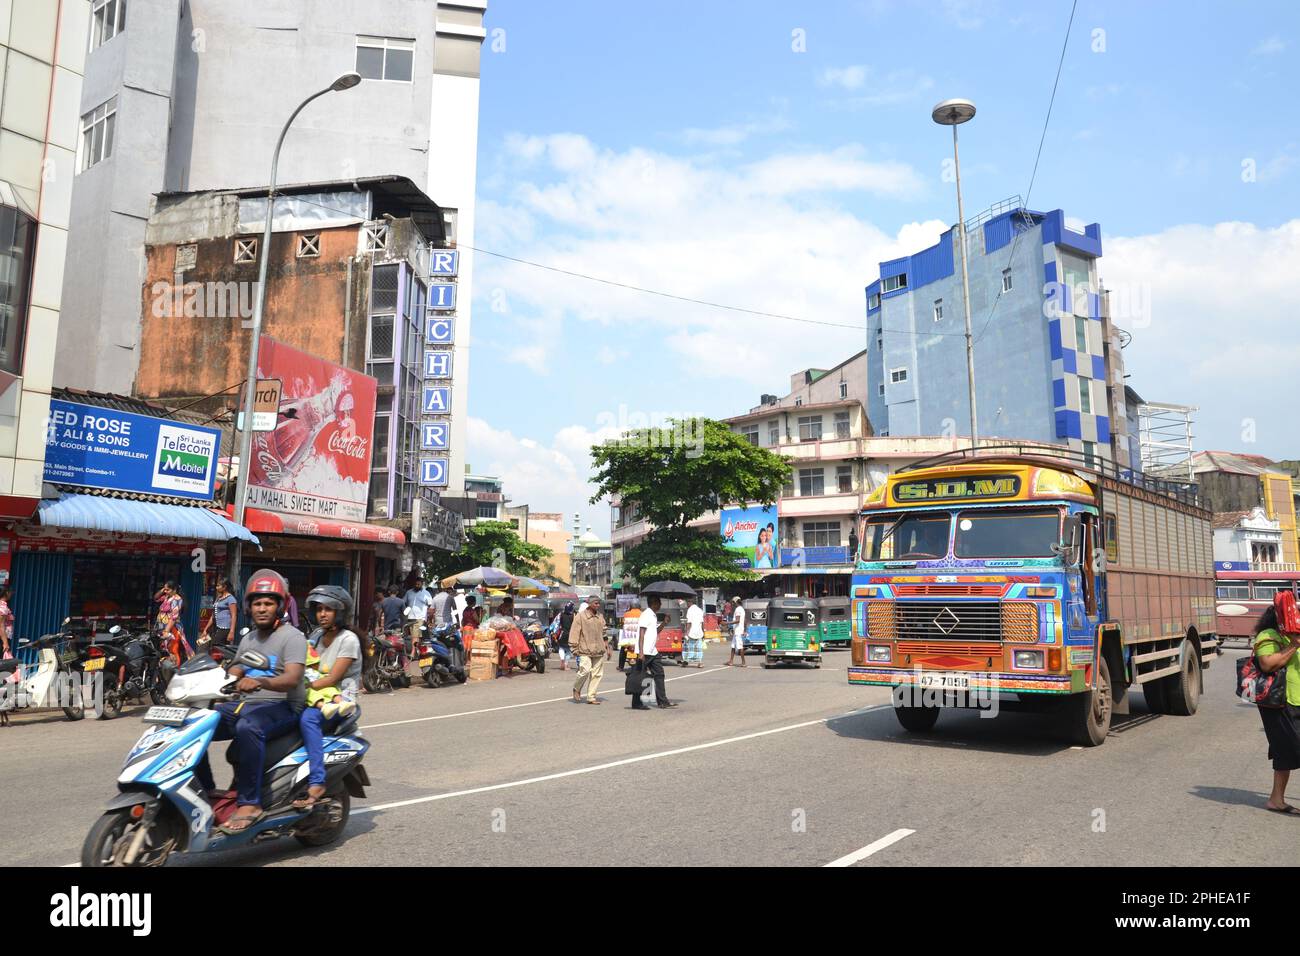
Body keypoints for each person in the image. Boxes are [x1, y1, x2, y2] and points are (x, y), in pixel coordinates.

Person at [193, 569, 306, 833]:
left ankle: (250, 803)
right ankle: (207, 791)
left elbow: (292, 678)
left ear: (279, 606)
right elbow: (236, 669)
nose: (262, 609)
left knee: (249, 727)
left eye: (268, 603)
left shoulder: (293, 637)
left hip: (283, 706)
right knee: (197, 723)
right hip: (247, 704)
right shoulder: (249, 638)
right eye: (257, 603)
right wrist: (216, 681)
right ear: (249, 607)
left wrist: (261, 682)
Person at [293, 585, 362, 811]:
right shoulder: (315, 636)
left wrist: (300, 683)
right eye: (319, 609)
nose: (322, 614)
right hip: (312, 694)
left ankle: (317, 781)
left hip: (338, 702)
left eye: (328, 609)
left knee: (308, 720)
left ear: (340, 613)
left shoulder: (348, 640)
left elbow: (333, 677)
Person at [1254, 591, 1300, 814]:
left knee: (1284, 751)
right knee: (1289, 747)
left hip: (1296, 701)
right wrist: (1294, 644)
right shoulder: (1268, 635)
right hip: (1281, 702)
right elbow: (1267, 664)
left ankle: (1276, 799)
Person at [632, 596, 675, 710]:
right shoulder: (646, 615)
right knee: (640, 676)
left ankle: (663, 701)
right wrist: (641, 651)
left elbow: (655, 632)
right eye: (659, 603)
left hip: (653, 651)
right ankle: (636, 703)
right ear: (654, 603)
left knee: (659, 674)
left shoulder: (653, 615)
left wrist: (664, 623)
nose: (660, 605)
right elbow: (641, 633)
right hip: (645, 651)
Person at [571, 595, 608, 704]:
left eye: (598, 603)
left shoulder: (600, 616)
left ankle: (591, 697)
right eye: (595, 603)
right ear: (589, 603)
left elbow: (604, 632)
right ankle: (576, 688)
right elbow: (574, 633)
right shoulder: (580, 617)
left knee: (597, 674)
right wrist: (574, 648)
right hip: (584, 649)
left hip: (599, 649)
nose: (598, 605)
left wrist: (607, 646)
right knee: (585, 670)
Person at [154, 582, 190, 665]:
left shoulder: (176, 600)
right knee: (163, 650)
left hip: (171, 629)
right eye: (165, 589)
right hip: (162, 628)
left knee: (172, 650)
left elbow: (173, 617)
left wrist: (166, 631)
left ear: (174, 590)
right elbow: (156, 598)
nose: (165, 591)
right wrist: (163, 589)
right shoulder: (167, 597)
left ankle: (174, 670)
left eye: (168, 589)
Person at [202, 579, 237, 650]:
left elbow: (234, 615)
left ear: (224, 587)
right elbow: (213, 615)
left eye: (218, 586)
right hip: (216, 628)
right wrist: (206, 629)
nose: (216, 587)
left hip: (225, 628)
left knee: (217, 648)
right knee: (211, 647)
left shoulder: (231, 599)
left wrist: (232, 632)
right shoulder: (218, 598)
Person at [684, 594, 705, 666]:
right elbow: (702, 623)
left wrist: (686, 633)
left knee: (688, 647)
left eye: (687, 603)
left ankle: (686, 661)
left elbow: (689, 623)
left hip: (692, 632)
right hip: (699, 632)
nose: (687, 604)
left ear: (690, 602)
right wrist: (703, 632)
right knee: (699, 648)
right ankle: (700, 662)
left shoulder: (690, 610)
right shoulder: (700, 610)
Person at [617, 605, 639, 671]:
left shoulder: (626, 614)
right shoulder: (642, 614)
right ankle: (645, 666)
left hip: (628, 638)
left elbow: (622, 624)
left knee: (623, 651)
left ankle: (621, 666)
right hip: (637, 639)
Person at [556, 601, 576, 671]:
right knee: (568, 650)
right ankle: (566, 664)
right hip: (570, 634)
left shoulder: (561, 614)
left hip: (562, 633)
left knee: (561, 647)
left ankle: (562, 660)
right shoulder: (574, 615)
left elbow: (558, 623)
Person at [727, 596, 747, 667]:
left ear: (735, 602)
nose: (732, 604)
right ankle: (731, 661)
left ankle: (743, 662)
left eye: (733, 602)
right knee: (733, 646)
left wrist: (727, 623)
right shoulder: (742, 609)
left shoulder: (738, 609)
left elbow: (738, 620)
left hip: (738, 631)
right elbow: (744, 620)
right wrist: (745, 629)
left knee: (740, 647)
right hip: (737, 630)